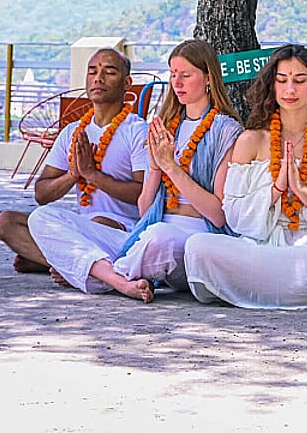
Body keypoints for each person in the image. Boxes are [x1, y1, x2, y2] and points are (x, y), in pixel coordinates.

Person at [29, 39, 243, 302]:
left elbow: (219, 215)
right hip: (147, 235)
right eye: (173, 74)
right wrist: (155, 165)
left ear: (209, 78)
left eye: (186, 75)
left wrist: (170, 168)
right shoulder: (166, 127)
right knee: (43, 218)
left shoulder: (226, 130)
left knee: (159, 238)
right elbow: (145, 210)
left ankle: (100, 273)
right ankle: (118, 279)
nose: (177, 83)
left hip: (194, 240)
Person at [184, 45, 307, 311]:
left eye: (299, 80)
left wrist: (304, 192)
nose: (290, 89)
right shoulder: (250, 140)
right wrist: (276, 189)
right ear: (272, 86)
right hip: (260, 251)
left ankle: (268, 291)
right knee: (198, 245)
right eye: (282, 81)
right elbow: (234, 216)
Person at [0, 48, 147, 275]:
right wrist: (73, 175)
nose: (98, 78)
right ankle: (70, 264)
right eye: (92, 71)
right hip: (79, 226)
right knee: (7, 222)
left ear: (126, 83)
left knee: (99, 221)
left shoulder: (137, 131)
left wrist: (94, 176)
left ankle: (60, 261)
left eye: (109, 72)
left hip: (123, 230)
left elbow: (144, 194)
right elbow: (42, 195)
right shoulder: (72, 132)